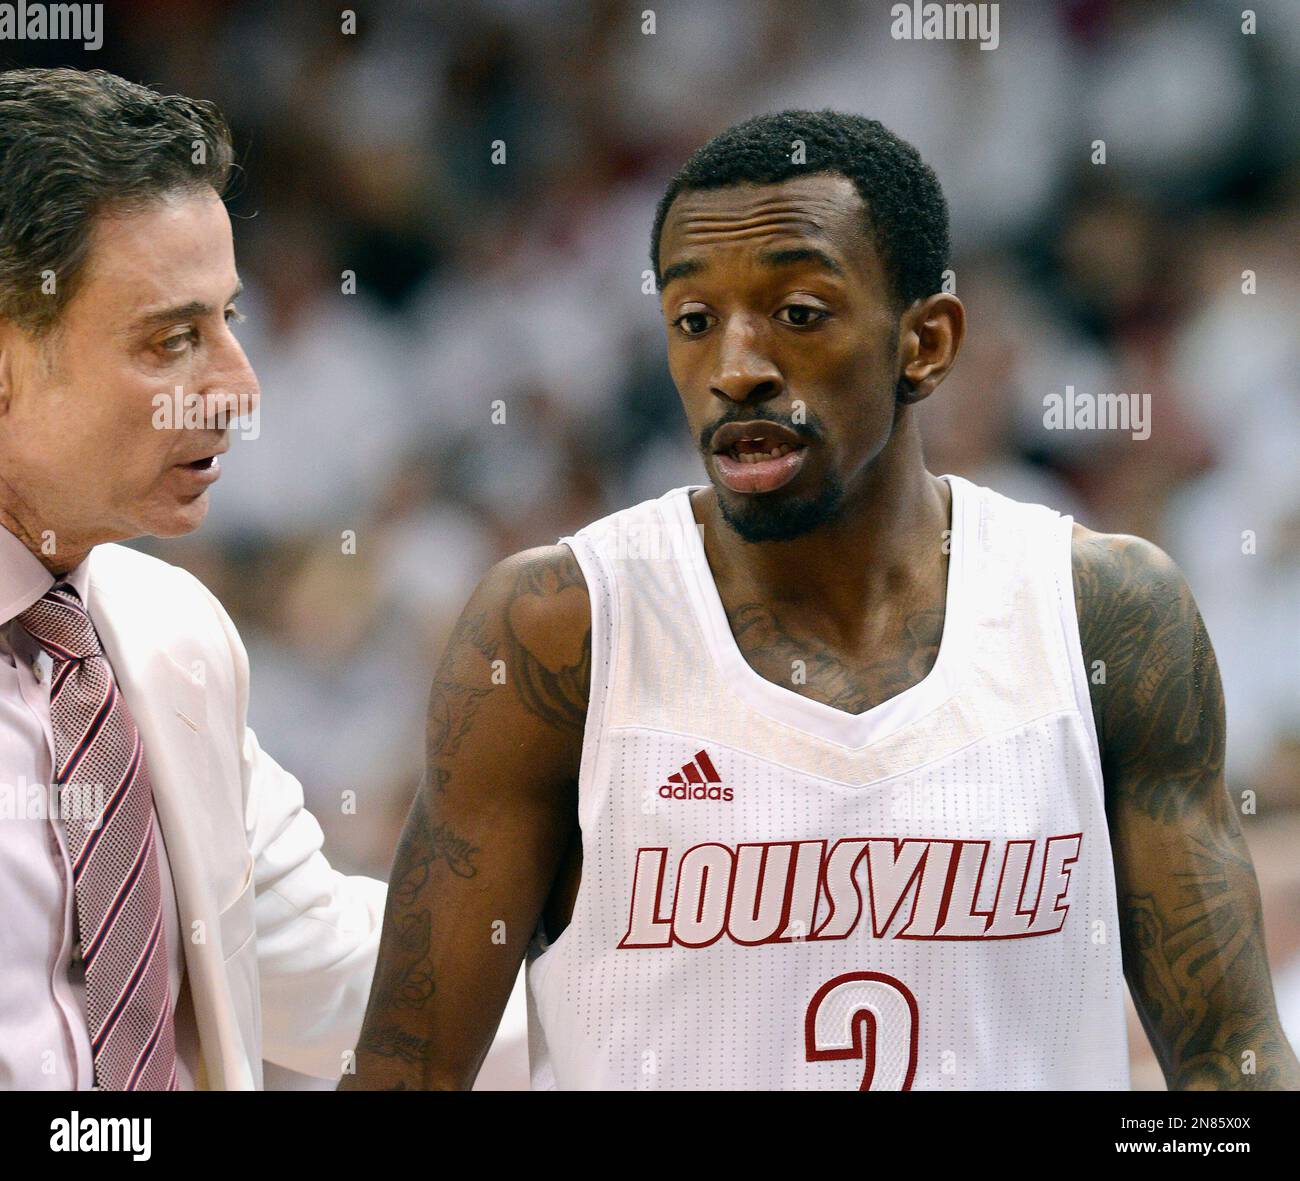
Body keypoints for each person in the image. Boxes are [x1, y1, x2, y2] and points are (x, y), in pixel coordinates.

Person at [344, 110, 1298, 1090]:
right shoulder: (559, 626)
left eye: (797, 313)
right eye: (692, 320)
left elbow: (1231, 1061)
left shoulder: (1105, 611)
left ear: (923, 342)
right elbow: (402, 1079)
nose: (734, 368)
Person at [0, 68, 385, 1090]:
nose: (239, 386)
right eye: (173, 339)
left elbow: (334, 975)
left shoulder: (169, 630)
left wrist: (665, 969)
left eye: (228, 318)